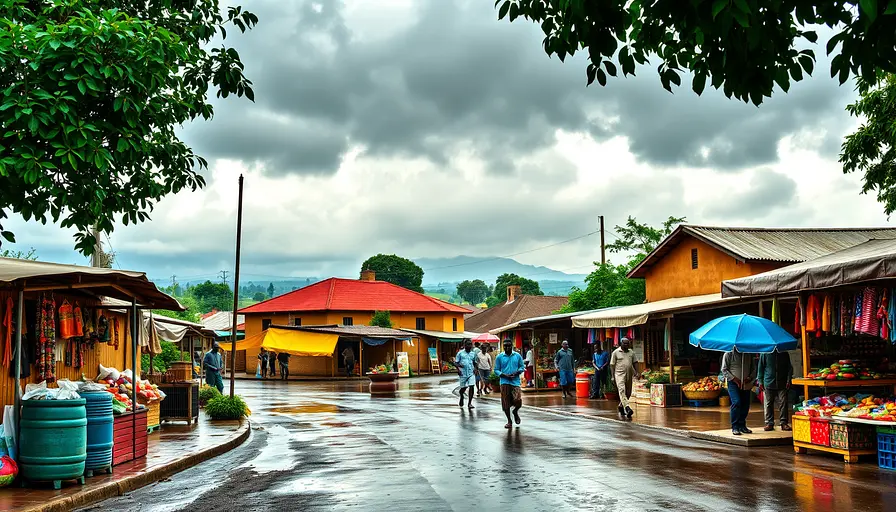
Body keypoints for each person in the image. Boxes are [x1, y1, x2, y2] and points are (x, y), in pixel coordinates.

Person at [722, 348, 757, 436]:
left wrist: (749, 378)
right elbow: (724, 370)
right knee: (736, 402)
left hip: (746, 383)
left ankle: (742, 425)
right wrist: (735, 379)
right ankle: (735, 426)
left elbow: (754, 369)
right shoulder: (728, 354)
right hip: (733, 383)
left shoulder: (748, 355)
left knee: (745, 404)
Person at [756, 351, 793, 432]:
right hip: (768, 382)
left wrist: (788, 380)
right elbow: (760, 368)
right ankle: (769, 423)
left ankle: (784, 422)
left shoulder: (784, 353)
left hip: (782, 382)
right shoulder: (764, 353)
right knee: (768, 403)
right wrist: (760, 381)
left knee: (783, 402)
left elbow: (789, 368)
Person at [493, 339, 526, 428]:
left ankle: (515, 411)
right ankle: (509, 421)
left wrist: (516, 373)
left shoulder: (517, 356)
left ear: (512, 346)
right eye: (505, 346)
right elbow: (496, 370)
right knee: (506, 402)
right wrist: (504, 375)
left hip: (515, 382)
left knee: (518, 400)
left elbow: (522, 367)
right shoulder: (500, 357)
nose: (507, 347)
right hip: (504, 382)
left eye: (509, 346)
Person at [610, 338, 637, 418]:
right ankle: (627, 408)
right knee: (622, 391)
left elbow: (635, 362)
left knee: (628, 393)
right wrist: (612, 376)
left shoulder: (631, 352)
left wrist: (637, 372)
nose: (626, 345)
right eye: (624, 343)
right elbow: (612, 365)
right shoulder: (615, 352)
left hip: (629, 374)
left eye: (627, 344)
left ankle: (621, 406)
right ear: (620, 344)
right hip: (619, 375)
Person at [455, 340, 477, 409]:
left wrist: (476, 369)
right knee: (463, 388)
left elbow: (475, 362)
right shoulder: (460, 353)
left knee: (471, 385)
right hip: (463, 373)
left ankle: (470, 403)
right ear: (464, 345)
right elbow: (456, 363)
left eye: (470, 344)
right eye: (468, 344)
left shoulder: (473, 354)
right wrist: (458, 369)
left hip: (471, 373)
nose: (469, 346)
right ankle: (461, 395)